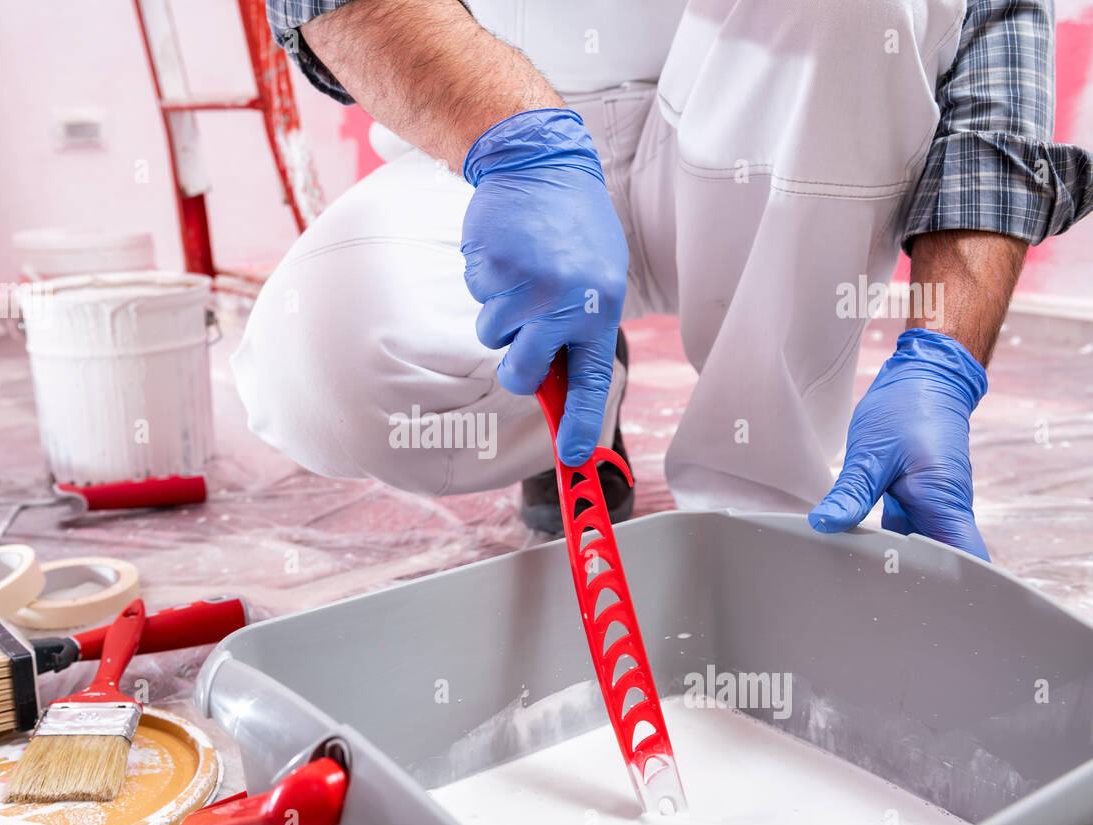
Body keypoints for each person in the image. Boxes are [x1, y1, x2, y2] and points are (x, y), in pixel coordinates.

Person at [235, 0, 1092, 561]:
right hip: (485, 142)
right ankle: (576, 404)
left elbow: (992, 32)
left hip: (759, 138)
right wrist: (520, 142)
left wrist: (944, 359)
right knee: (323, 370)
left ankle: (761, 525)